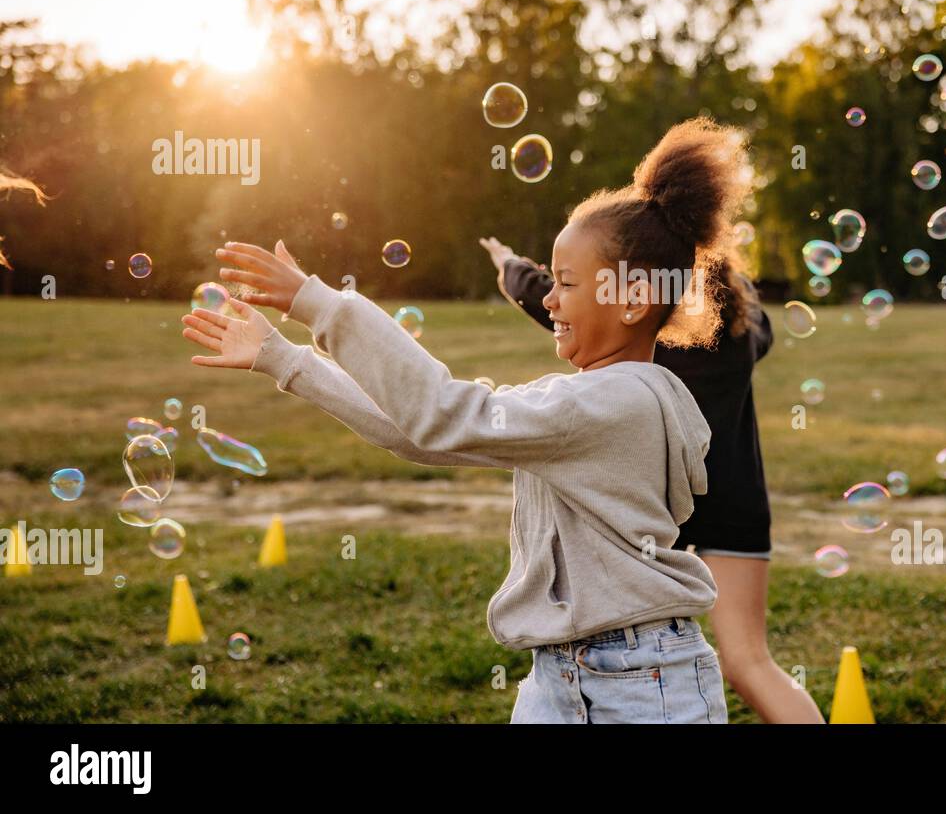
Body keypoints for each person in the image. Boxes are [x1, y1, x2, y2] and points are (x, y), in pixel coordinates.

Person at [182, 118, 760, 724]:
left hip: (640, 684)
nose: (549, 299)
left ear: (634, 300)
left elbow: (444, 413)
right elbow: (422, 434)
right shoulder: (586, 402)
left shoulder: (612, 405)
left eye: (566, 284)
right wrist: (287, 360)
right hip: (561, 675)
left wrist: (319, 304)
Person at [479, 169, 824, 726]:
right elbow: (761, 331)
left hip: (649, 503)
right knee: (751, 661)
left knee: (635, 641)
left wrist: (509, 266)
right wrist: (738, 281)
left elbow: (554, 296)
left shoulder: (635, 333)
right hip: (735, 499)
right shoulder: (737, 328)